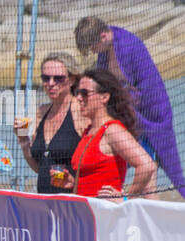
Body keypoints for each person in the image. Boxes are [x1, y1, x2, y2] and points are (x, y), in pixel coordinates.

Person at [75, 16, 182, 195]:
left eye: (93, 46)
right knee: (147, 169)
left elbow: (149, 89)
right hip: (130, 113)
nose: (93, 51)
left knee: (150, 170)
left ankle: (133, 203)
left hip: (151, 114)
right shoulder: (106, 50)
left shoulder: (129, 46)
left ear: (103, 36)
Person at [61, 69, 157, 198]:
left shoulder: (112, 130)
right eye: (78, 92)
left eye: (85, 93)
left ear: (104, 97)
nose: (78, 98)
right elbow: (94, 176)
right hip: (86, 212)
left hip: (105, 213)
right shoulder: (89, 130)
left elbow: (147, 165)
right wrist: (74, 184)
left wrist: (126, 199)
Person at [12, 52, 86, 193]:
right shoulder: (41, 112)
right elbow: (40, 168)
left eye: (58, 78)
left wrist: (77, 183)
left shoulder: (81, 110)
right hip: (46, 201)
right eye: (46, 78)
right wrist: (23, 140)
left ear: (71, 80)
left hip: (74, 200)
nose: (50, 83)